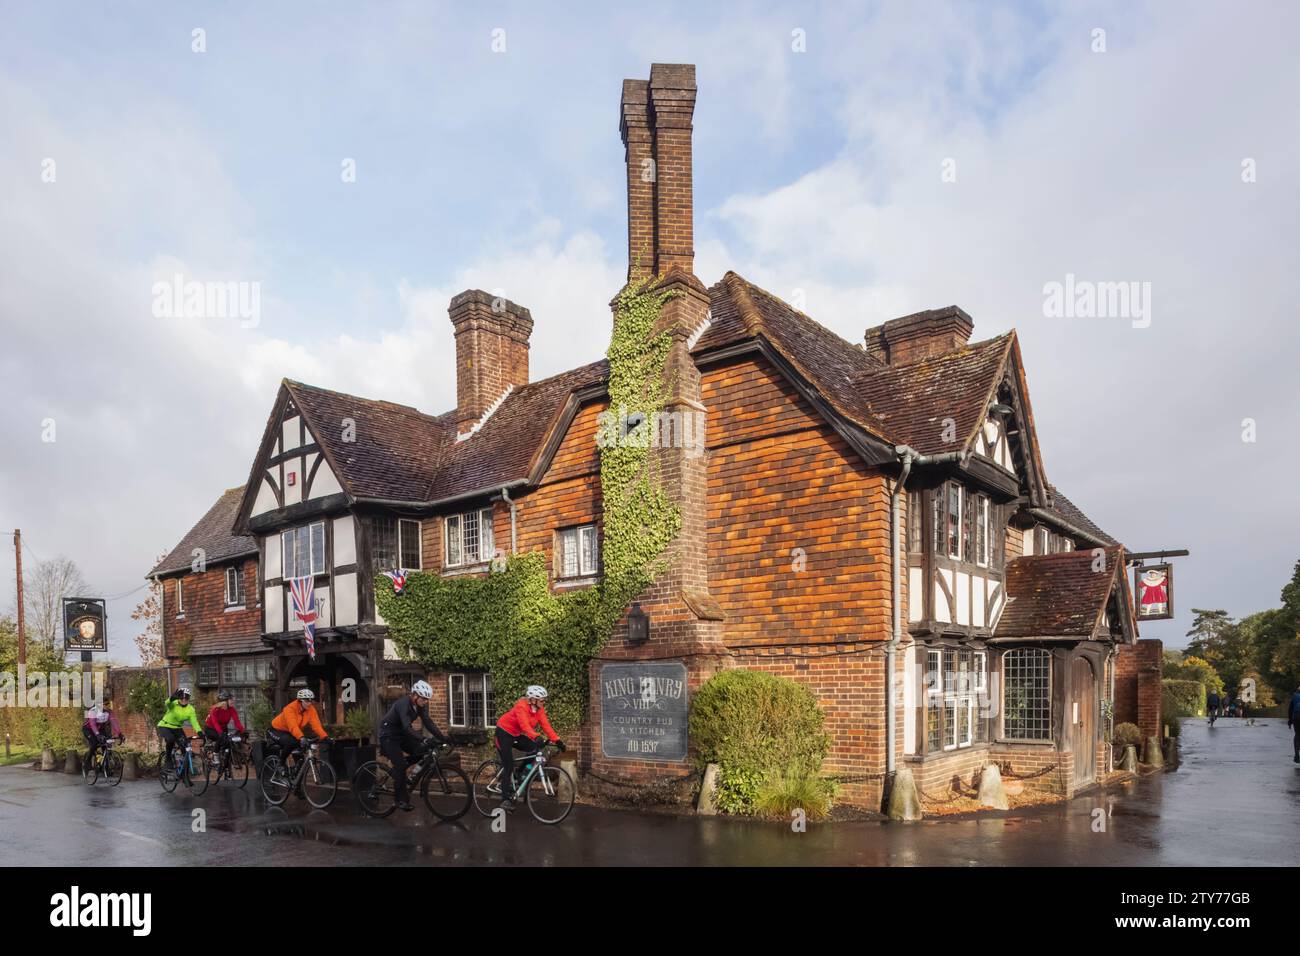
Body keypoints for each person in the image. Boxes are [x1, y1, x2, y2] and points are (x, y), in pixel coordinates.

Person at [378, 680, 451, 811]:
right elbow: (407, 727)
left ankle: (400, 771)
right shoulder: (403, 704)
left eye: (427, 699)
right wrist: (423, 738)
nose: (426, 701)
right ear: (415, 695)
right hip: (389, 735)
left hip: (401, 734)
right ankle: (399, 800)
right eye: (424, 698)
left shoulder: (419, 706)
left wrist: (444, 738)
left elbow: (429, 723)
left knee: (421, 751)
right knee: (400, 766)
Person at [492, 685, 564, 811]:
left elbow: (546, 726)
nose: (544, 702)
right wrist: (536, 736)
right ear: (533, 699)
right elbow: (524, 725)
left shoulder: (539, 710)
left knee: (534, 749)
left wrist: (557, 740)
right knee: (508, 765)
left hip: (515, 734)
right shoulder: (521, 706)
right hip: (503, 733)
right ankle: (505, 800)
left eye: (544, 700)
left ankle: (519, 773)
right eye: (542, 700)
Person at [268, 688, 329, 770]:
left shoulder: (310, 709)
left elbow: (316, 725)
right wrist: (301, 737)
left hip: (291, 732)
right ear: (300, 701)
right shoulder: (290, 709)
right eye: (307, 701)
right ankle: (281, 763)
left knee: (300, 749)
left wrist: (325, 737)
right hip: (277, 730)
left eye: (311, 701)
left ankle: (297, 772)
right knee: (290, 742)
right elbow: (292, 726)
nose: (309, 703)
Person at [156, 688, 202, 785]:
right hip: (165, 725)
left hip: (177, 728)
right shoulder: (174, 704)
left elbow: (194, 722)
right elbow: (167, 703)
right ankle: (168, 759)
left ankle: (185, 776)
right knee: (170, 739)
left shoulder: (190, 709)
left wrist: (200, 732)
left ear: (189, 698)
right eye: (182, 697)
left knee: (186, 749)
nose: (184, 699)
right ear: (179, 697)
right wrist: (172, 697)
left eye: (186, 698)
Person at [82, 698, 124, 773]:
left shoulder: (109, 712)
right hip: (89, 729)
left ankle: (106, 768)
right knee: (94, 744)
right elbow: (93, 725)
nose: (109, 706)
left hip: (100, 729)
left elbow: (114, 723)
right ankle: (87, 763)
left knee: (105, 744)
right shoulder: (93, 711)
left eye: (109, 704)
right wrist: (98, 735)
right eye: (107, 704)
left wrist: (119, 734)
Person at [204, 691, 246, 763]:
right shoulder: (215, 710)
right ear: (224, 701)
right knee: (220, 738)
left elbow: (236, 721)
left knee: (228, 743)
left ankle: (226, 764)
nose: (233, 701)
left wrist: (242, 730)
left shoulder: (231, 709)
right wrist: (221, 733)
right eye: (231, 699)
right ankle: (215, 754)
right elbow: (215, 723)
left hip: (223, 728)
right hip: (211, 728)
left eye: (233, 699)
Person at [1288, 684, 1300, 764]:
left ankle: (1297, 755)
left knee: (1297, 735)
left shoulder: (1294, 696)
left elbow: (1290, 709)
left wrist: (1290, 721)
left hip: (1296, 717)